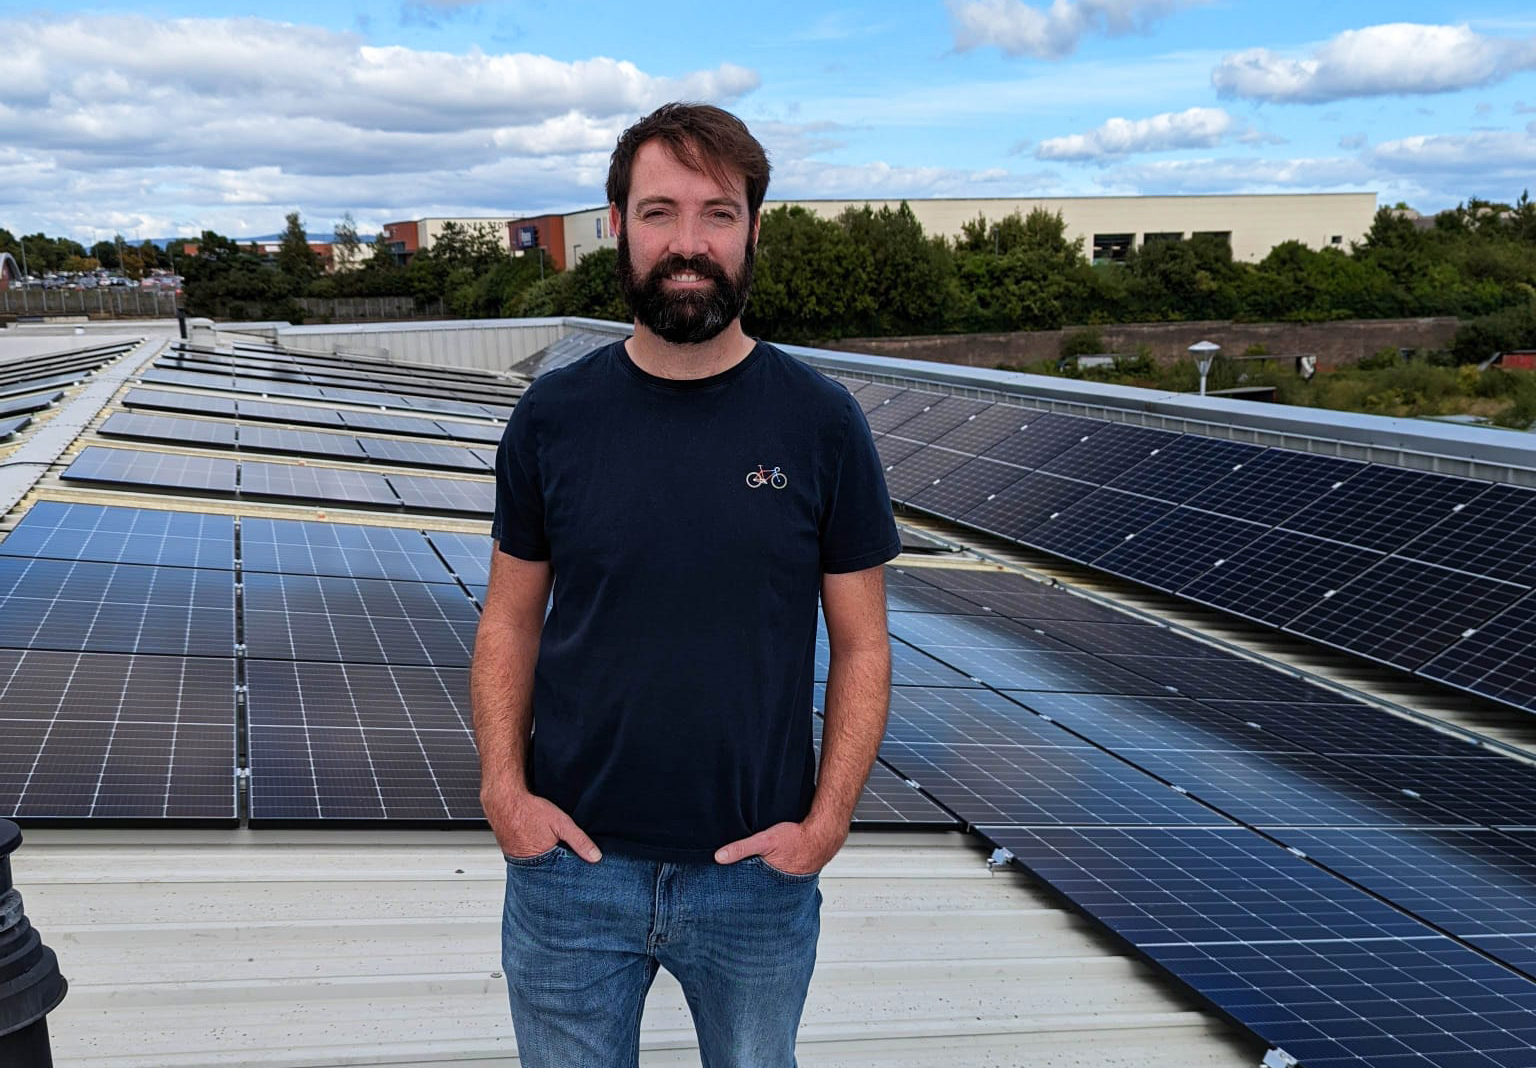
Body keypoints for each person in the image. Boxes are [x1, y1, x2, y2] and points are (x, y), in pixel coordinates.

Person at [472, 101, 899, 1068]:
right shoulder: (552, 419)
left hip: (755, 879)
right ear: (617, 226)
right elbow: (509, 619)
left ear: (755, 230)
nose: (689, 243)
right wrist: (505, 792)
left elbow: (865, 645)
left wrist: (825, 826)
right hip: (570, 870)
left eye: (718, 212)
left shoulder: (822, 426)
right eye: (660, 211)